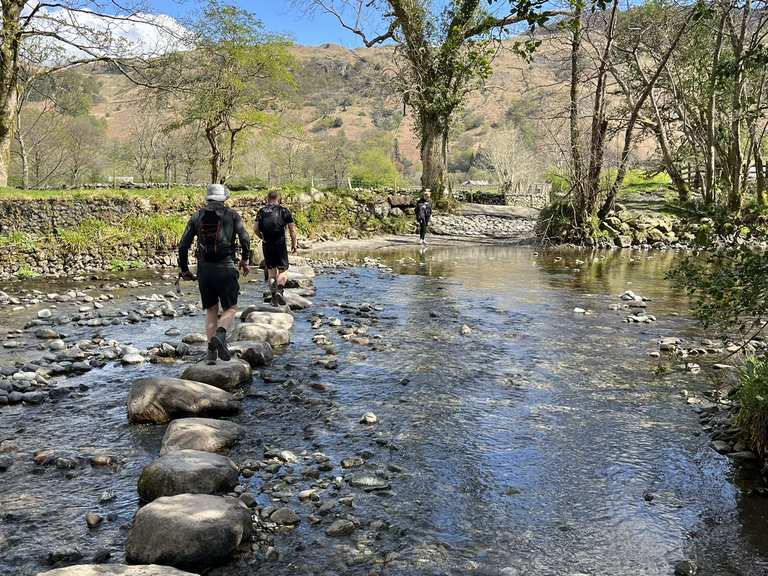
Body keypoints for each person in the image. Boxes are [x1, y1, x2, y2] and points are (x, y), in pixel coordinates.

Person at [178, 183, 251, 364]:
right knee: (230, 308)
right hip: (226, 267)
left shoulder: (197, 216)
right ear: (224, 198)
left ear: (208, 198)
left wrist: (185, 269)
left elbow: (183, 245)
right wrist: (245, 259)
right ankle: (221, 334)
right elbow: (245, 238)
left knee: (211, 309)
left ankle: (211, 354)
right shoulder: (233, 215)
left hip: (205, 269)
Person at [256, 190, 297, 306]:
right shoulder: (284, 211)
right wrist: (294, 244)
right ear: (279, 199)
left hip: (267, 244)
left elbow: (255, 228)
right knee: (283, 272)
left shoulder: (261, 211)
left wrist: (262, 237)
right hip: (280, 245)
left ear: (267, 199)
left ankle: (274, 297)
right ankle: (279, 289)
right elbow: (292, 230)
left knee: (271, 273)